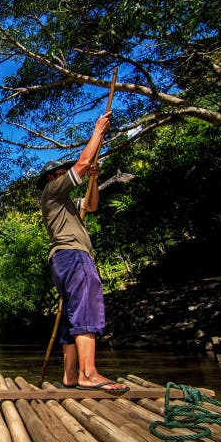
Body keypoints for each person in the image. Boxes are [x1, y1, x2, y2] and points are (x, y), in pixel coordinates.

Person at [37, 110, 128, 392]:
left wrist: (93, 179)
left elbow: (91, 205)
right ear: (54, 176)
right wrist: (98, 130)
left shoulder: (65, 203)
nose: (68, 173)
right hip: (72, 256)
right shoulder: (52, 190)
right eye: (64, 171)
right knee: (86, 306)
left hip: (65, 260)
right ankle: (89, 374)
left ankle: (71, 376)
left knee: (72, 313)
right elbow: (84, 160)